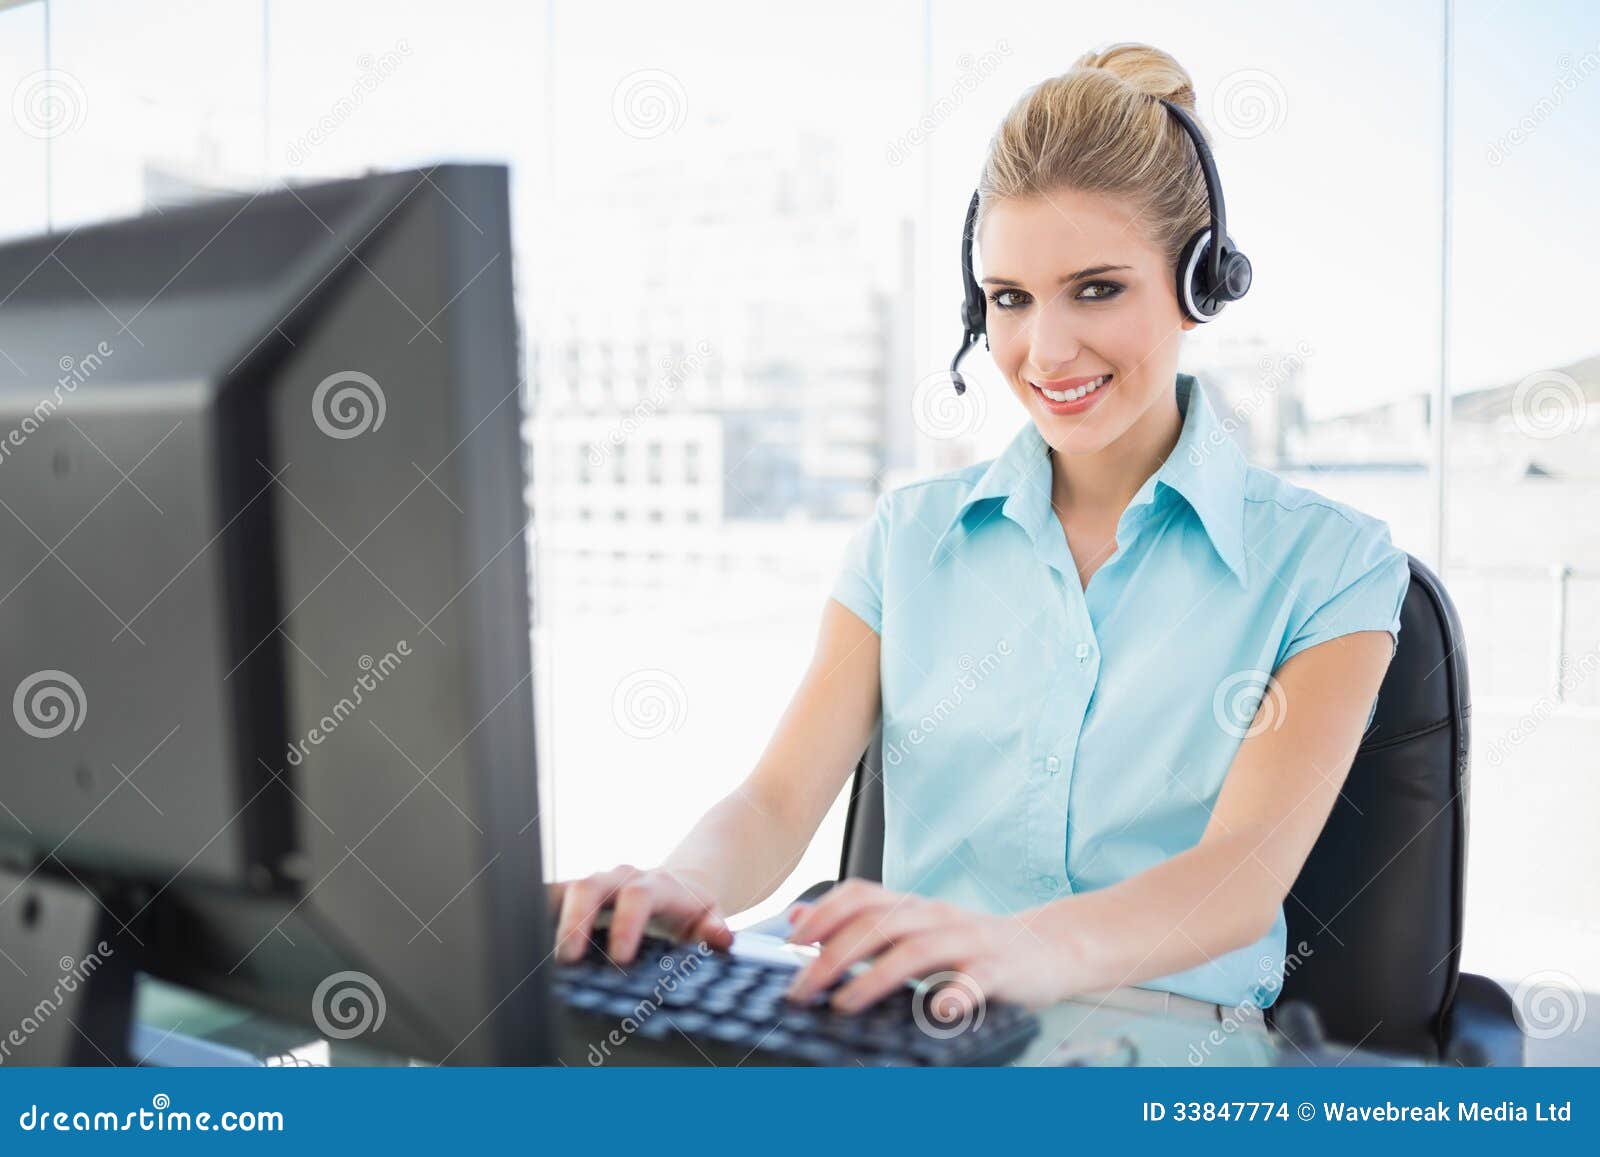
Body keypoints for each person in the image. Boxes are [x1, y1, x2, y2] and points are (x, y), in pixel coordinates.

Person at [547, 42, 1411, 1021]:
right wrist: (679, 881)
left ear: (1199, 281)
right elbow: (777, 800)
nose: (1044, 350)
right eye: (1008, 299)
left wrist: (1017, 946)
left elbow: (1235, 876)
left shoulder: (1330, 566)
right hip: (908, 1031)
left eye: (1096, 289)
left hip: (1163, 1045)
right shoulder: (908, 540)